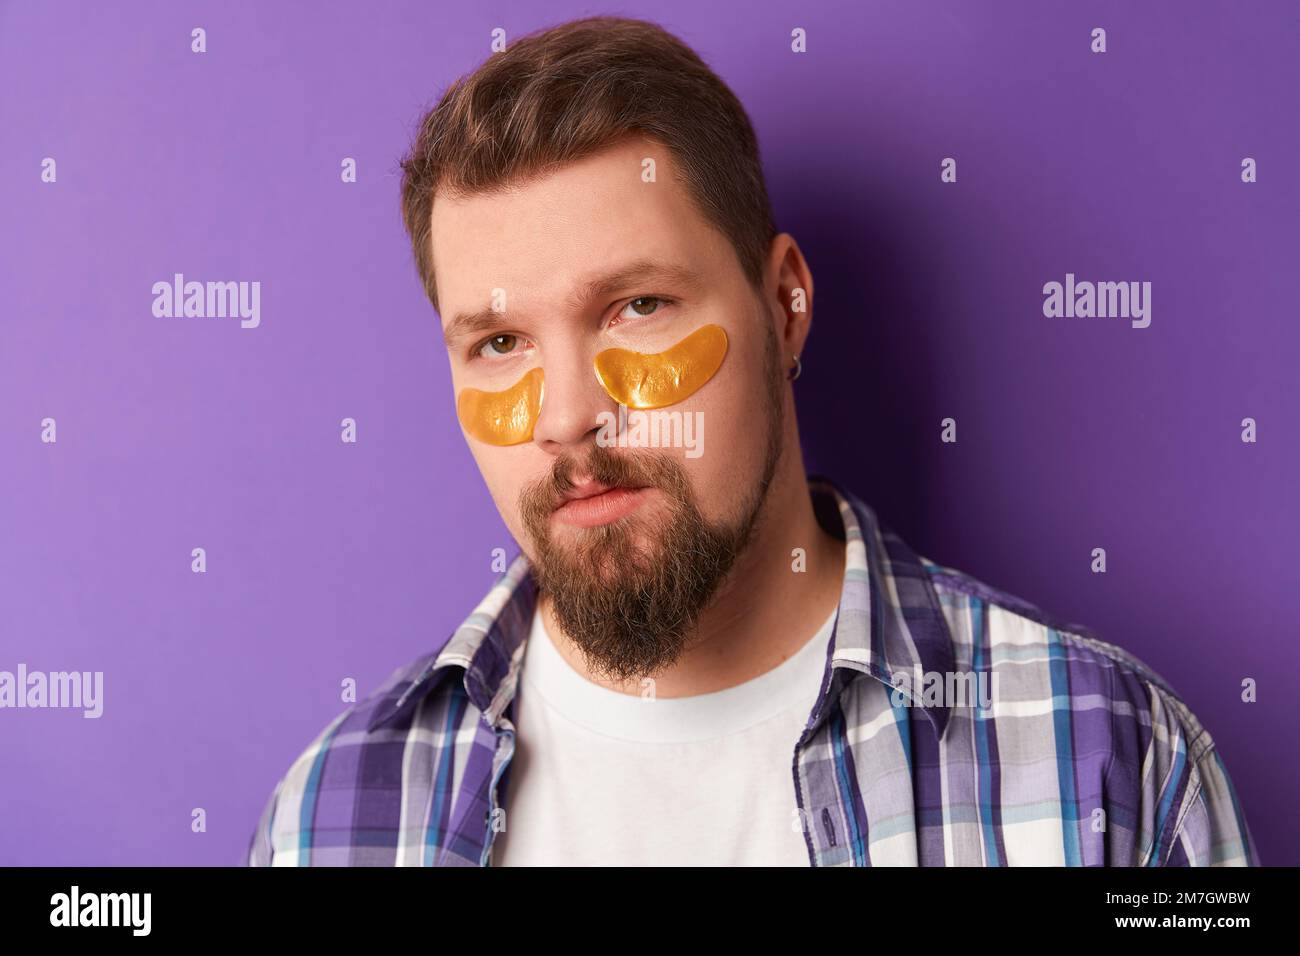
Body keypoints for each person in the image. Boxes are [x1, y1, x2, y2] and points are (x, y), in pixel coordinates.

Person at [246, 15, 1257, 866]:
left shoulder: (1110, 763)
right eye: (500, 341)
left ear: (783, 303)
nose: (565, 416)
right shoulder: (333, 819)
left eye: (637, 305)